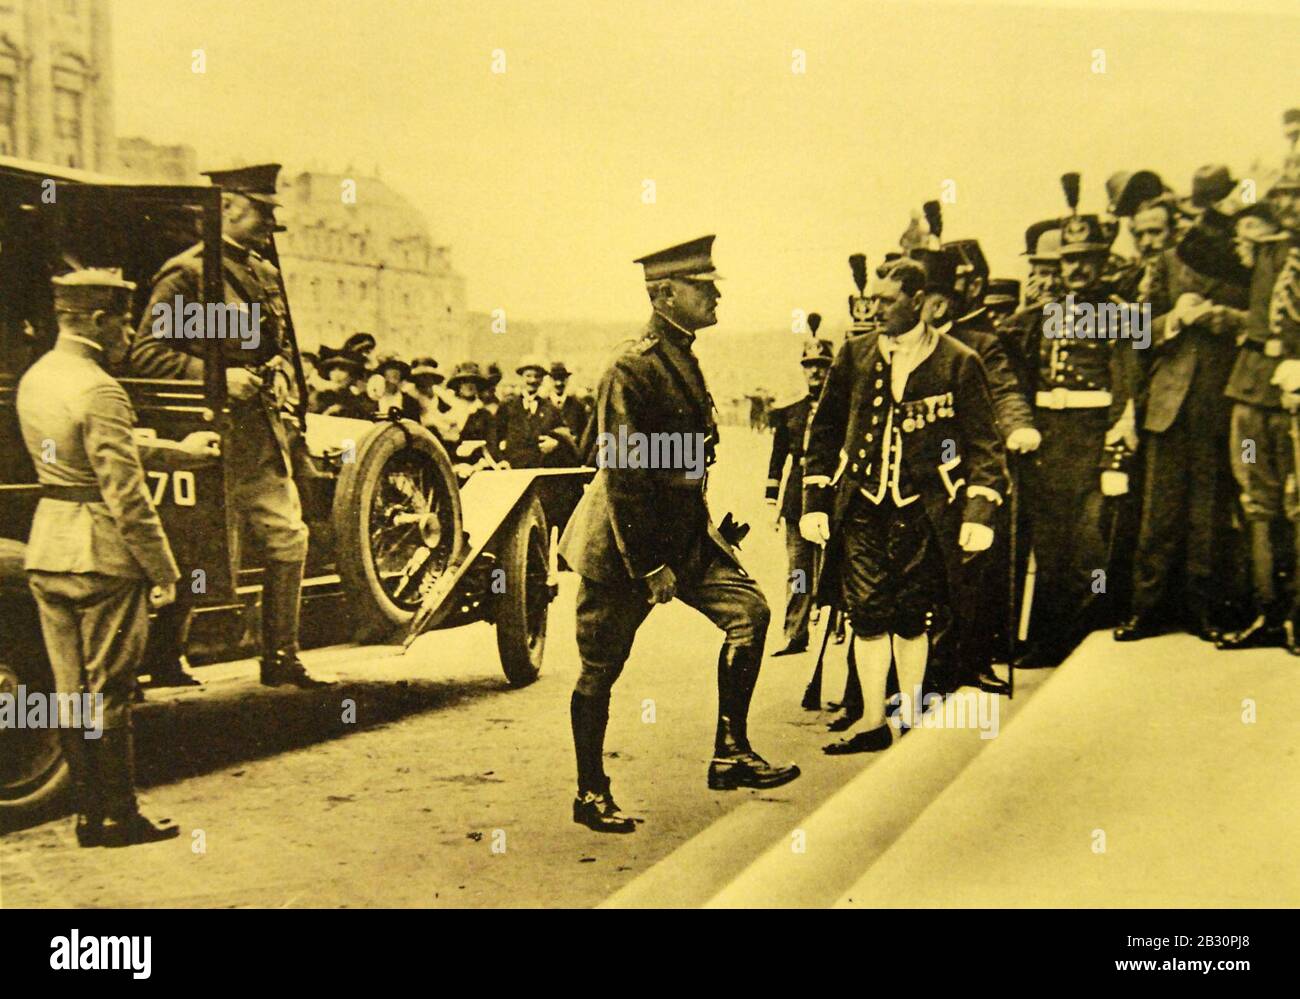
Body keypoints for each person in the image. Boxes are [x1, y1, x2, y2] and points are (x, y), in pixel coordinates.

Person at [559, 235, 799, 833]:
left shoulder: (682, 355)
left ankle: (730, 751)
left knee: (750, 613)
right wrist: (646, 566)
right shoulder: (631, 365)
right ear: (665, 293)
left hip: (685, 534)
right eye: (703, 286)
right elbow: (621, 475)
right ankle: (590, 792)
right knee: (600, 669)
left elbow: (685, 461)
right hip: (622, 544)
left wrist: (708, 526)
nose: (715, 294)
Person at [128, 163, 330, 689]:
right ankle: (166, 657)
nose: (270, 223)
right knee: (197, 542)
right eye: (261, 211)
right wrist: (218, 379)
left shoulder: (260, 271)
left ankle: (280, 658)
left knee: (287, 538)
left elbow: (275, 344)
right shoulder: (188, 274)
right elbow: (147, 355)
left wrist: (279, 374)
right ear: (229, 207)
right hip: (203, 433)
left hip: (259, 433)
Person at [800, 256, 1007, 754]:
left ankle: (910, 714)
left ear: (918, 301)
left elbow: (984, 443)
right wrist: (815, 501)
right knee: (867, 611)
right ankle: (873, 719)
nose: (876, 309)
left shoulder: (958, 360)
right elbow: (824, 431)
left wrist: (979, 511)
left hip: (924, 507)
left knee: (913, 613)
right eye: (872, 300)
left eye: (887, 301)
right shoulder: (854, 354)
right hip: (862, 504)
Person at [18, 269, 183, 847]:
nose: (131, 331)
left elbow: (71, 453)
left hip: (48, 548)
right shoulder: (100, 388)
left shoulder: (36, 378)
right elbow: (126, 495)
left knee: (69, 692)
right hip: (102, 556)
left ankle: (88, 817)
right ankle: (119, 816)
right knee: (108, 691)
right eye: (124, 319)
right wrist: (163, 571)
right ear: (96, 319)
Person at [1113, 197, 1250, 643]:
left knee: (1207, 513)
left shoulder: (1233, 263)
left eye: (1160, 229)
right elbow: (1137, 332)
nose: (1152, 239)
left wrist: (1215, 319)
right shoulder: (1162, 269)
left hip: (1217, 400)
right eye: (1143, 232)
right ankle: (1146, 610)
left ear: (1178, 226)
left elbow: (1257, 319)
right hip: (1167, 405)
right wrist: (1173, 319)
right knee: (1159, 513)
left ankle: (1205, 611)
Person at [1010, 204, 1141, 667]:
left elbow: (1128, 393)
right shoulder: (1044, 313)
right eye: (1069, 260)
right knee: (1050, 548)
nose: (1078, 268)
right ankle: (1048, 640)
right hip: (1051, 442)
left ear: (1104, 262)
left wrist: (1115, 459)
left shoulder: (1123, 315)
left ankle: (1087, 640)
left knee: (1090, 548)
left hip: (1093, 441)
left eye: (1088, 258)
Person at [1217, 171, 1300, 652]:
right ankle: (1269, 614)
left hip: (1293, 395)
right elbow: (1198, 250)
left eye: (1297, 196)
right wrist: (1235, 200)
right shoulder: (1264, 248)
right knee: (1257, 502)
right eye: (1282, 195)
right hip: (1253, 392)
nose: (1288, 205)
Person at [765, 331, 833, 656]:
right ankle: (796, 632)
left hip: (830, 499)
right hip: (796, 503)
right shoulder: (791, 412)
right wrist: (770, 502)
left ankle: (832, 627)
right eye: (810, 366)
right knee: (799, 570)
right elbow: (778, 459)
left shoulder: (842, 409)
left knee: (831, 568)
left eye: (821, 366)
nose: (815, 372)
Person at [495, 354, 573, 468]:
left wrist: (556, 444)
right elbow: (494, 437)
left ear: (542, 380)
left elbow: (564, 439)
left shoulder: (551, 409)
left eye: (537, 376)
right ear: (521, 377)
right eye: (528, 376)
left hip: (539, 469)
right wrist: (500, 460)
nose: (532, 380)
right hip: (511, 468)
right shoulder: (507, 406)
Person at [313, 346, 374, 419]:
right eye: (333, 369)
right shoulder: (320, 396)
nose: (337, 374)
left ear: (351, 373)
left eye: (342, 369)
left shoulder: (359, 396)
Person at [549, 360, 591, 439]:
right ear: (550, 380)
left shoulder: (578, 406)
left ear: (567, 380)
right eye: (555, 378)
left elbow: (584, 436)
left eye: (562, 378)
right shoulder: (543, 405)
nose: (559, 383)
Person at [373, 355, 421, 421]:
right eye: (391, 368)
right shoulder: (371, 399)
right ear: (382, 372)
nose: (396, 372)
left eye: (399, 369)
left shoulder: (410, 401)